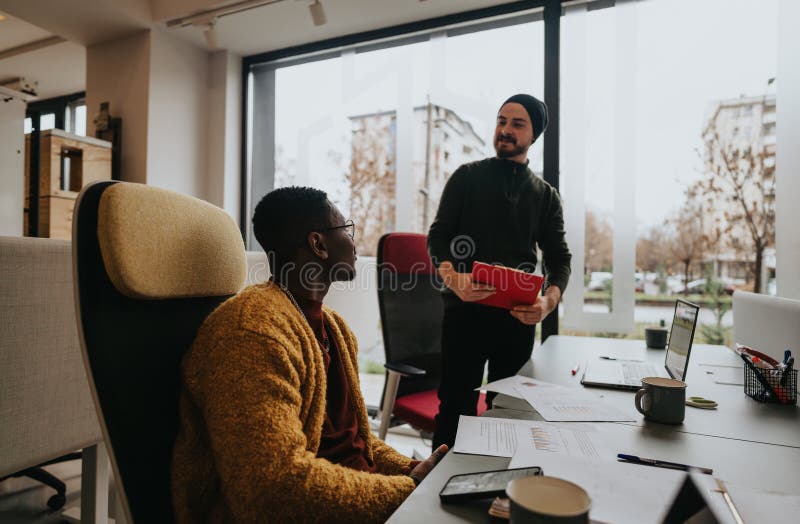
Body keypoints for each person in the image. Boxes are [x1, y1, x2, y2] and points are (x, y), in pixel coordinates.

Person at [172, 186, 447, 523]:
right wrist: (408, 490)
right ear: (318, 244)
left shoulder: (335, 328)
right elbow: (271, 490)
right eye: (346, 228)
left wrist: (411, 469)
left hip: (367, 502)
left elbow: (354, 441)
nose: (353, 239)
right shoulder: (253, 333)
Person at [427, 94, 572, 449]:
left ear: (533, 135)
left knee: (507, 411)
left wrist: (548, 303)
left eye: (517, 124)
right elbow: (438, 236)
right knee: (456, 408)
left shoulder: (546, 196)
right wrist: (454, 277)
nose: (505, 130)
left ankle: (492, 488)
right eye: (501, 121)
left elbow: (559, 258)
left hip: (517, 319)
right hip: (464, 312)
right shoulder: (466, 178)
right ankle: (434, 488)